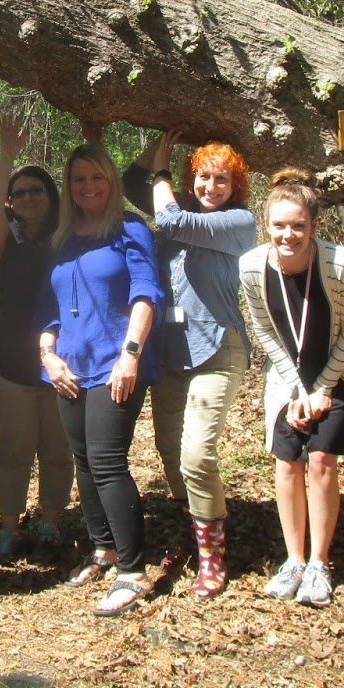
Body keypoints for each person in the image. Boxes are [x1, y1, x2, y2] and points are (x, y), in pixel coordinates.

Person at [122, 132, 256, 597]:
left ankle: (212, 555)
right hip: (173, 351)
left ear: (235, 185)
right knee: (168, 450)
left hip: (218, 347)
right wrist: (156, 148)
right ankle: (192, 532)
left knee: (197, 454)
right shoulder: (184, 215)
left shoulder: (239, 222)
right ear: (191, 178)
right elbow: (129, 182)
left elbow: (165, 214)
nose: (211, 187)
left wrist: (162, 173)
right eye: (203, 177)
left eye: (222, 179)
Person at [240, 169, 344, 608]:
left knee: (319, 460)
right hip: (288, 380)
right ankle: (293, 558)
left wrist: (322, 388)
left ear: (314, 226)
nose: (288, 234)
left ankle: (319, 561)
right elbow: (264, 331)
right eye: (279, 225)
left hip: (340, 375)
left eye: (298, 226)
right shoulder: (251, 266)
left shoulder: (341, 264)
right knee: (287, 463)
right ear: (267, 225)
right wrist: (299, 390)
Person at [38, 144, 163, 617]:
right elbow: (45, 311)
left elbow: (147, 292)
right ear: (69, 188)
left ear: (110, 181)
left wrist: (130, 354)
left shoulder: (129, 228)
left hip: (115, 363)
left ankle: (132, 572)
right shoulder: (62, 238)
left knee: (108, 461)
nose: (88, 187)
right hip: (69, 366)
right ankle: (103, 550)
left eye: (97, 178)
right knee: (84, 461)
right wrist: (48, 357)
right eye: (78, 180)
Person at [0, 114, 72, 562]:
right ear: (11, 203)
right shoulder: (3, 244)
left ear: (52, 198)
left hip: (64, 362)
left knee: (57, 450)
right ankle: (8, 528)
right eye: (20, 193)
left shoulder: (69, 239)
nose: (29, 197)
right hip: (12, 364)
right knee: (15, 450)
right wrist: (7, 158)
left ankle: (51, 522)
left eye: (38, 190)